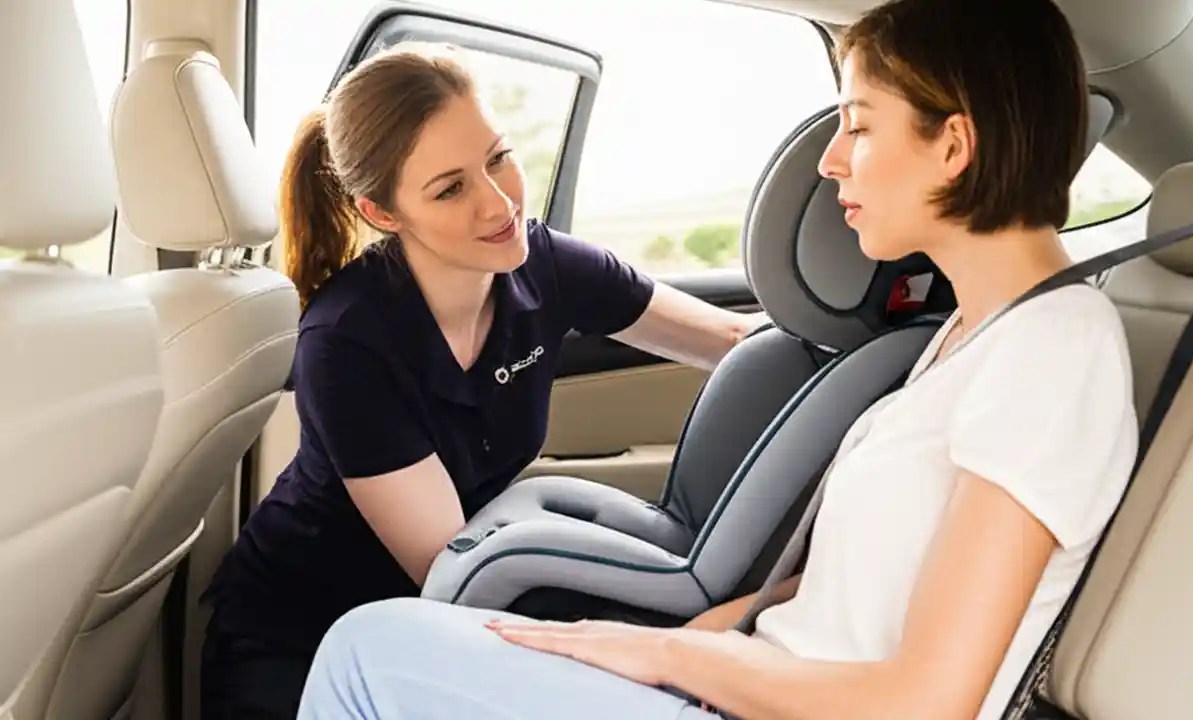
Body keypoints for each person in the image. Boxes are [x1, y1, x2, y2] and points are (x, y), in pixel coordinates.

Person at [294, 0, 1141, 718]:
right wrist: (659, 644)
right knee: (378, 640)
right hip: (751, 685)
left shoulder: (1051, 348)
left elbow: (924, 703)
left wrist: (671, 663)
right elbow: (828, 597)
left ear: (953, 147)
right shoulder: (969, 342)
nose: (829, 158)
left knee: (368, 649)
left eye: (858, 124)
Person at [199, 42, 767, 719]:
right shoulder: (346, 341)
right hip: (307, 637)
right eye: (450, 188)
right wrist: (680, 636)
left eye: (498, 157)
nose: (498, 203)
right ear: (382, 213)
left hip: (439, 618)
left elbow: (740, 345)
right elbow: (453, 570)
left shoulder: (545, 266)